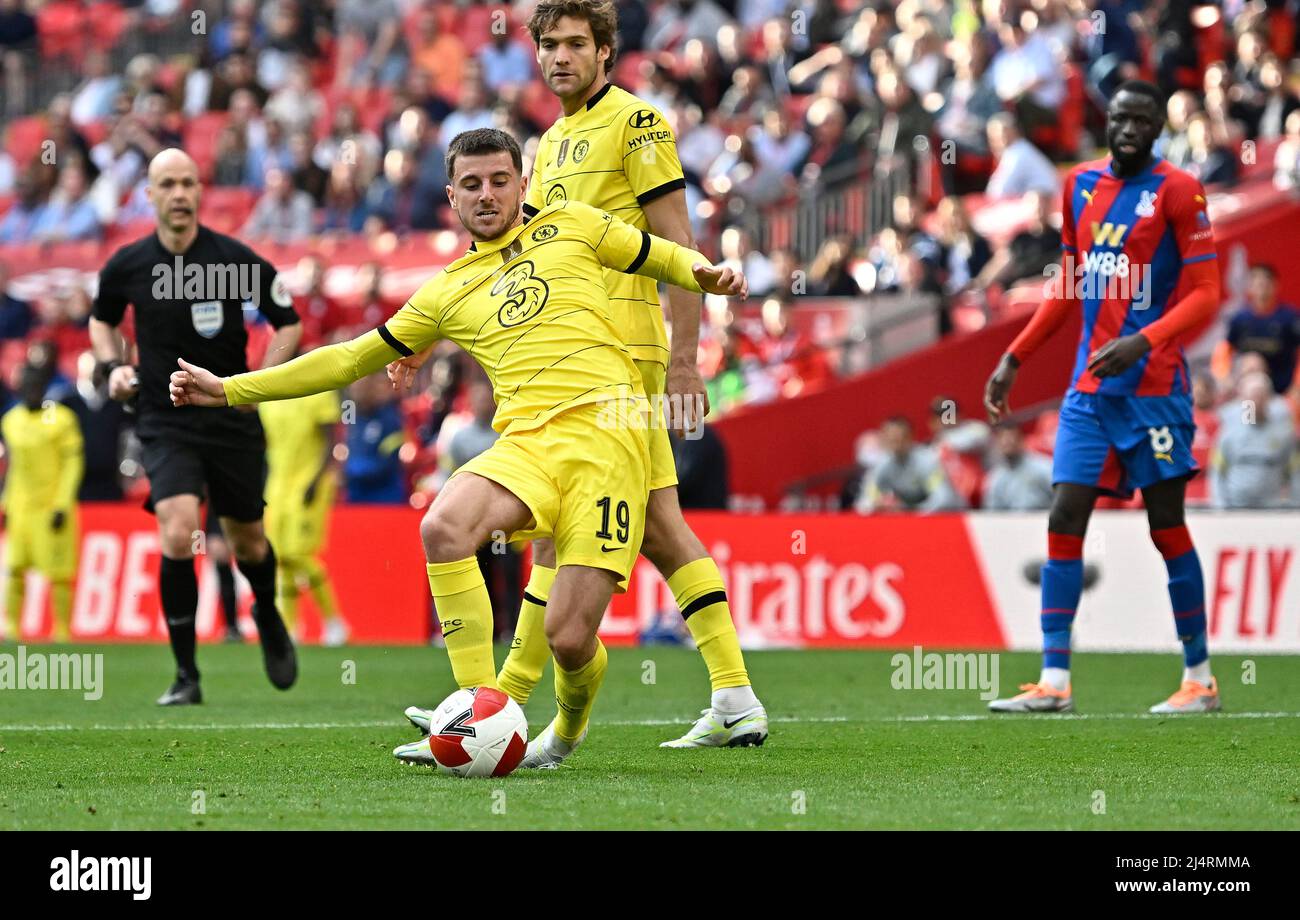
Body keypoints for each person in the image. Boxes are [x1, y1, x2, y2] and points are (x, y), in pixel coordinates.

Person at [168, 128, 748, 769]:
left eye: (500, 180)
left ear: (522, 183)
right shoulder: (446, 290)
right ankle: (478, 706)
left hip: (608, 441)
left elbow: (662, 255)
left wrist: (711, 275)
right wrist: (230, 389)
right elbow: (348, 358)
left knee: (568, 639)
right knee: (442, 527)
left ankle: (564, 732)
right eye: (471, 184)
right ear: (450, 197)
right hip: (526, 443)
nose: (487, 194)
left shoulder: (577, 224)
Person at [444, 0, 765, 750]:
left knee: (575, 532)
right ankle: (732, 696)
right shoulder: (550, 143)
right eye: (548, 45)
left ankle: (496, 708)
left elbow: (677, 245)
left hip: (627, 359)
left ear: (605, 51)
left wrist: (686, 360)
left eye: (575, 44)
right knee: (650, 528)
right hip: (578, 362)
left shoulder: (637, 124)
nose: (559, 57)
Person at [984, 81, 1223, 715]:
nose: (1129, 128)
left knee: (1165, 525)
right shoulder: (1079, 186)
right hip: (1089, 392)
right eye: (1120, 117)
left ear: (1156, 129)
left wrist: (1142, 342)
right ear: (1107, 122)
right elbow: (1067, 283)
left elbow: (1205, 293)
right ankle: (1054, 681)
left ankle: (1199, 676)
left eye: (1143, 119)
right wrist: (1014, 358)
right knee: (1064, 516)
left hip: (1155, 390)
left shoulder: (1178, 190)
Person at [89, 148, 303, 706]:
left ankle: (268, 613)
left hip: (229, 417)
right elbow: (101, 319)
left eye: (188, 183)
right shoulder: (128, 265)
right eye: (168, 184)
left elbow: (288, 321)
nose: (180, 193)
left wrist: (261, 382)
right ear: (151, 195)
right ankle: (186, 674)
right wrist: (113, 369)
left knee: (248, 542)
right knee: (180, 528)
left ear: (199, 193)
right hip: (165, 420)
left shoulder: (233, 259)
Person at [260, 384, 350, 646]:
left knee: (299, 554)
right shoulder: (270, 392)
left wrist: (316, 479)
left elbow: (331, 442)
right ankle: (290, 628)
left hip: (310, 484)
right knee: (280, 557)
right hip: (277, 487)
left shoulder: (316, 389)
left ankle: (334, 622)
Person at [1, 364, 83, 642]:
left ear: (44, 389)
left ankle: (62, 630)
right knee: (14, 568)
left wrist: (62, 503)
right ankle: (12, 628)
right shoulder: (10, 421)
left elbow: (73, 463)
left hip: (51, 508)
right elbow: (12, 467)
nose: (31, 392)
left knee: (59, 572)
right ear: (19, 389)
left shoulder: (60, 419)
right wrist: (5, 504)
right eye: (27, 387)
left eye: (36, 387)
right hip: (21, 507)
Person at [1210, 371, 1297, 509]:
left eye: (1260, 396)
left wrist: (1295, 503)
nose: (1256, 402)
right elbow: (1217, 470)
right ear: (1243, 399)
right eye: (1252, 397)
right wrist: (1220, 504)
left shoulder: (1284, 432)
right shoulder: (1228, 431)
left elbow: (1295, 471)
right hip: (1234, 507)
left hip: (1271, 508)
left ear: (1269, 398)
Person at [855, 416, 965, 513]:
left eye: (899, 438)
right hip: (912, 517)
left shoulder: (927, 461)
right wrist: (875, 505)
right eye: (891, 439)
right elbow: (864, 502)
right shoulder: (881, 465)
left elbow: (943, 499)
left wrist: (911, 510)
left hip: (953, 516)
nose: (896, 444)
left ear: (910, 437)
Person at [983, 425, 1054, 511]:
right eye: (1003, 440)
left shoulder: (1043, 467)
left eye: (1011, 439)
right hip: (1010, 522)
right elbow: (991, 513)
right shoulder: (995, 476)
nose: (1007, 443)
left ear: (1022, 441)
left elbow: (1060, 499)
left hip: (1043, 520)